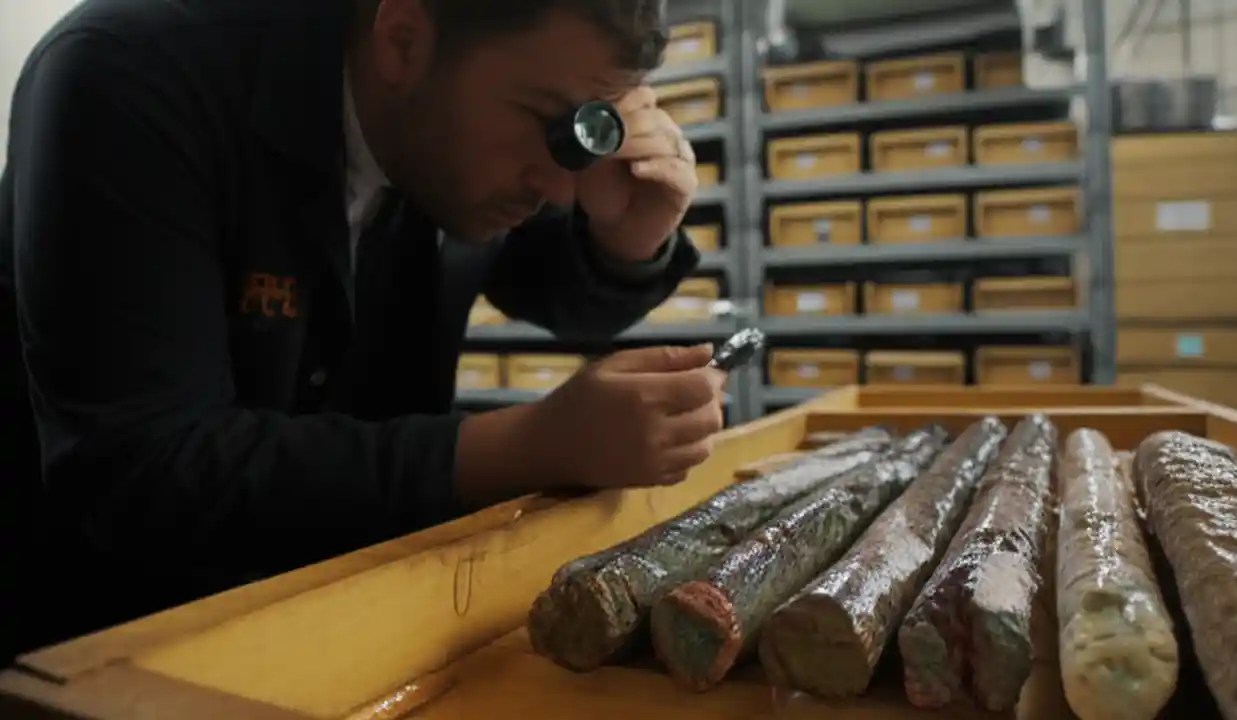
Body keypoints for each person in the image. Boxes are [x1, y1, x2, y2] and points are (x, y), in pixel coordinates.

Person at [0, 0, 728, 660]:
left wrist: (627, 243)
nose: (562, 189)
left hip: (340, 612)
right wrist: (523, 446)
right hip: (106, 640)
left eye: (584, 137)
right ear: (403, 37)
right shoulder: (128, 76)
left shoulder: (461, 126)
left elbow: (546, 285)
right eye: (548, 119)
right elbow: (144, 471)